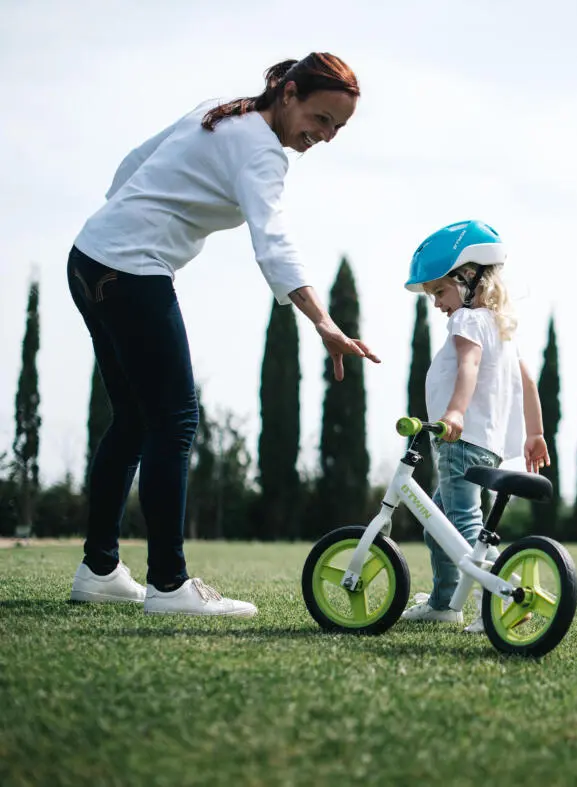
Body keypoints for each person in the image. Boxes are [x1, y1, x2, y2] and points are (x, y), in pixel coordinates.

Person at [67, 52, 380, 617]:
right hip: (130, 268)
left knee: (136, 419)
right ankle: (168, 585)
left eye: (338, 128)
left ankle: (100, 569)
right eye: (322, 119)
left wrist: (119, 219)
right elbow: (274, 240)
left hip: (90, 258)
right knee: (175, 419)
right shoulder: (261, 152)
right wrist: (324, 321)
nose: (326, 137)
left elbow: (133, 163)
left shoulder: (219, 110)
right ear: (288, 94)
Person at [401, 220, 549, 633]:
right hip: (485, 444)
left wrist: (455, 413)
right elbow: (528, 382)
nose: (437, 303)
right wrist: (534, 434)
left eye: (440, 291)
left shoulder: (468, 322)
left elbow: (467, 365)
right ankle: (446, 603)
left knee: (461, 525)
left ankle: (498, 598)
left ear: (468, 278)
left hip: (460, 441)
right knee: (439, 527)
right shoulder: (502, 329)